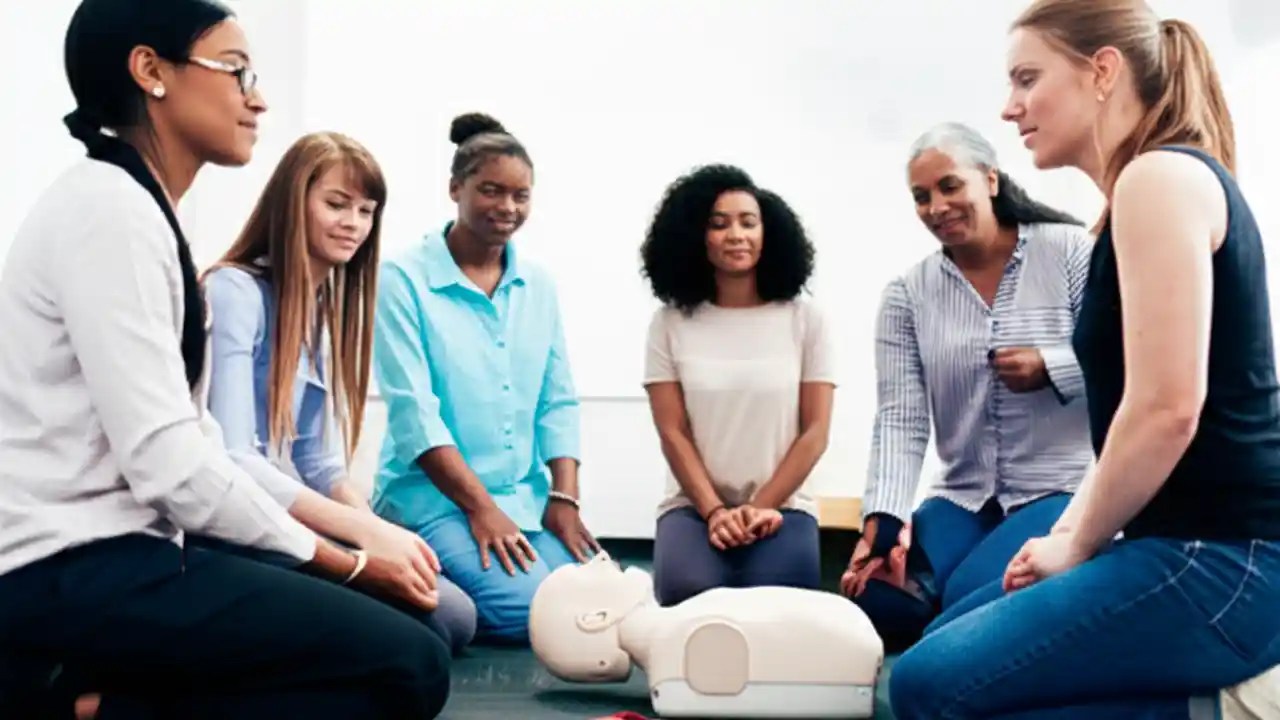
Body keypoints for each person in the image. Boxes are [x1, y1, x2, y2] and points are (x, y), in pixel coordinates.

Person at [0, 2, 451, 718]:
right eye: (236, 71)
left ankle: (87, 696)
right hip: (64, 569)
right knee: (410, 667)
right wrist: (349, 563)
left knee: (419, 634)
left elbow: (201, 446)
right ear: (150, 71)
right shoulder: (109, 214)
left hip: (127, 553)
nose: (257, 98)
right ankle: (74, 707)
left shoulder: (140, 210)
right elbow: (169, 464)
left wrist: (358, 543)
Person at [889, 2, 1280, 717]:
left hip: (1225, 561)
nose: (1009, 107)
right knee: (942, 640)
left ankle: (1213, 708)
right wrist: (1066, 535)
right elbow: (1132, 412)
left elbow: (1167, 410)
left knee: (925, 684)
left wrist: (1076, 546)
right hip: (1180, 546)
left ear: (1102, 72)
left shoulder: (1158, 179)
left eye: (1027, 78)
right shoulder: (1133, 200)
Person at [202, 130, 477, 654]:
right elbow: (234, 458)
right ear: (292, 203)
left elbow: (319, 461)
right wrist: (361, 536)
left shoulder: (322, 312)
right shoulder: (234, 291)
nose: (354, 223)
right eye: (336, 204)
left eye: (366, 211)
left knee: (454, 614)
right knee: (433, 630)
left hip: (292, 519)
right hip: (240, 526)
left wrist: (377, 532)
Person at [839, 122, 1094, 652]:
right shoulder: (907, 295)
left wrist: (1051, 366)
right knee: (875, 598)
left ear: (991, 180)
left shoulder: (1071, 252)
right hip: (964, 495)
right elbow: (901, 419)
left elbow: (1124, 362)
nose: (937, 207)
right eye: (922, 197)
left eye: (950, 186)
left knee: (964, 602)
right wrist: (881, 529)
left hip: (1059, 487)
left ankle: (959, 627)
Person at [372, 112, 598, 644]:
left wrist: (564, 501)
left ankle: (456, 571)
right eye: (491, 191)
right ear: (456, 188)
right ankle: (403, 558)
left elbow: (558, 401)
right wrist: (482, 510)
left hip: (523, 500)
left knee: (591, 599)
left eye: (521, 195)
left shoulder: (537, 284)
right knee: (531, 616)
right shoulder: (402, 279)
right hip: (432, 501)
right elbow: (415, 415)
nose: (508, 207)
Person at [638, 164, 835, 606]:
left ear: (768, 233)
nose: (736, 235)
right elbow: (673, 431)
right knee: (688, 593)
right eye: (719, 224)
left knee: (779, 599)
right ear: (696, 235)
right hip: (693, 507)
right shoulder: (669, 323)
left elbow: (815, 431)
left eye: (748, 222)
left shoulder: (805, 320)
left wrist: (762, 505)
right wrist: (714, 511)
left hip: (784, 505)